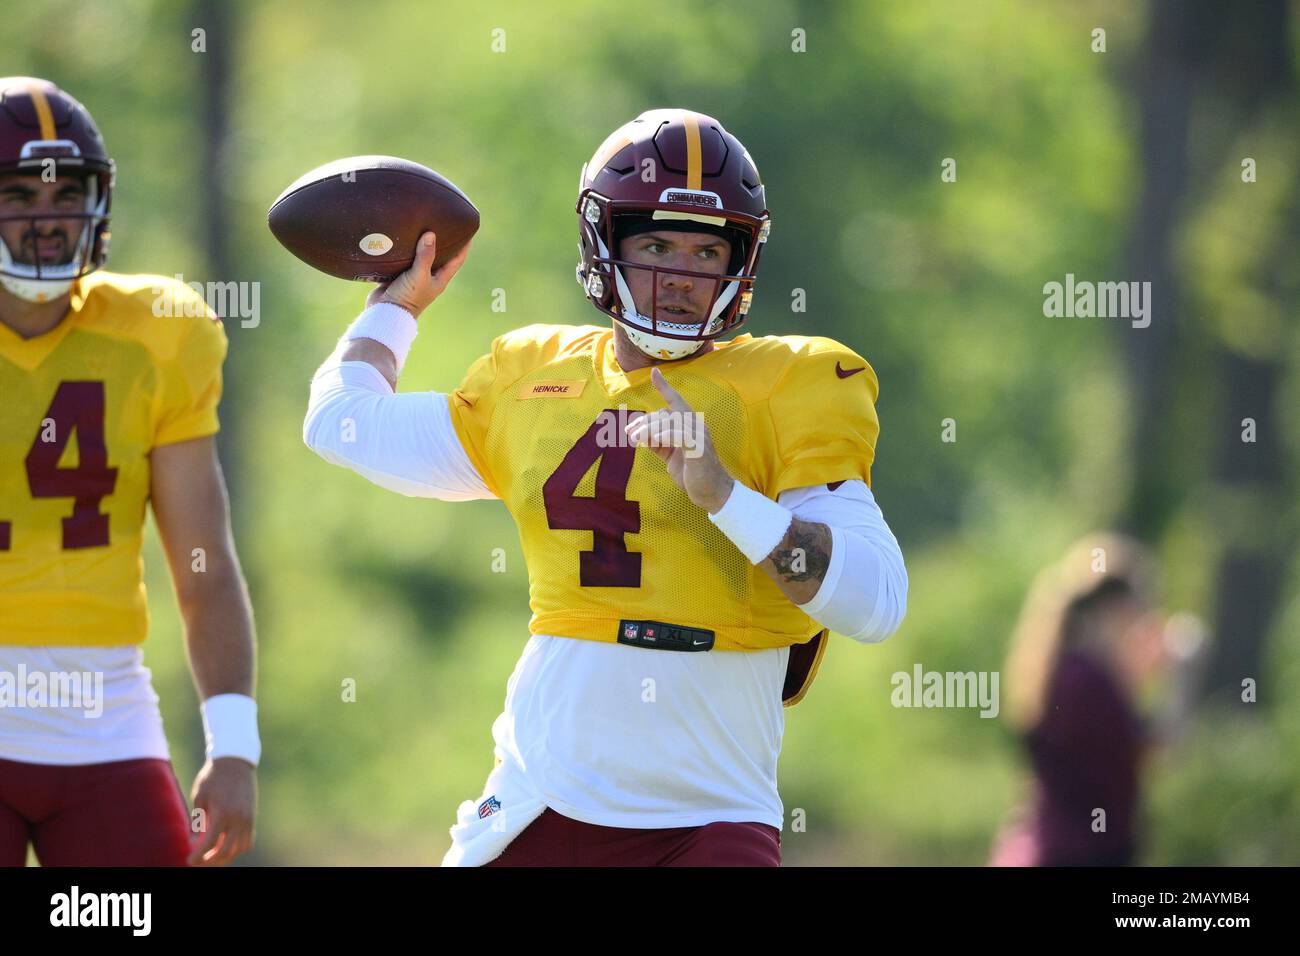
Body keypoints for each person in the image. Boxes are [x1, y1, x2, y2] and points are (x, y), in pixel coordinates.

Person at [304, 108, 908, 866]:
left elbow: (875, 602)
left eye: (703, 251)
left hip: (710, 815)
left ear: (739, 262)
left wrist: (725, 498)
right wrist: (394, 311)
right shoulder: (534, 376)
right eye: (655, 245)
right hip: (541, 794)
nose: (680, 278)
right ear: (603, 244)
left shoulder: (795, 382)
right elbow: (342, 424)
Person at [0, 77, 259, 866]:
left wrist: (236, 744)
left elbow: (202, 566)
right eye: (17, 194)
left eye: (64, 193)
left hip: (105, 711)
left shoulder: (159, 332)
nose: (46, 220)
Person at [991, 532, 1206, 866]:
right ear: (1117, 609)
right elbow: (1155, 750)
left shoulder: (1070, 672)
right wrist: (1184, 673)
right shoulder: (1088, 682)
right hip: (1080, 855)